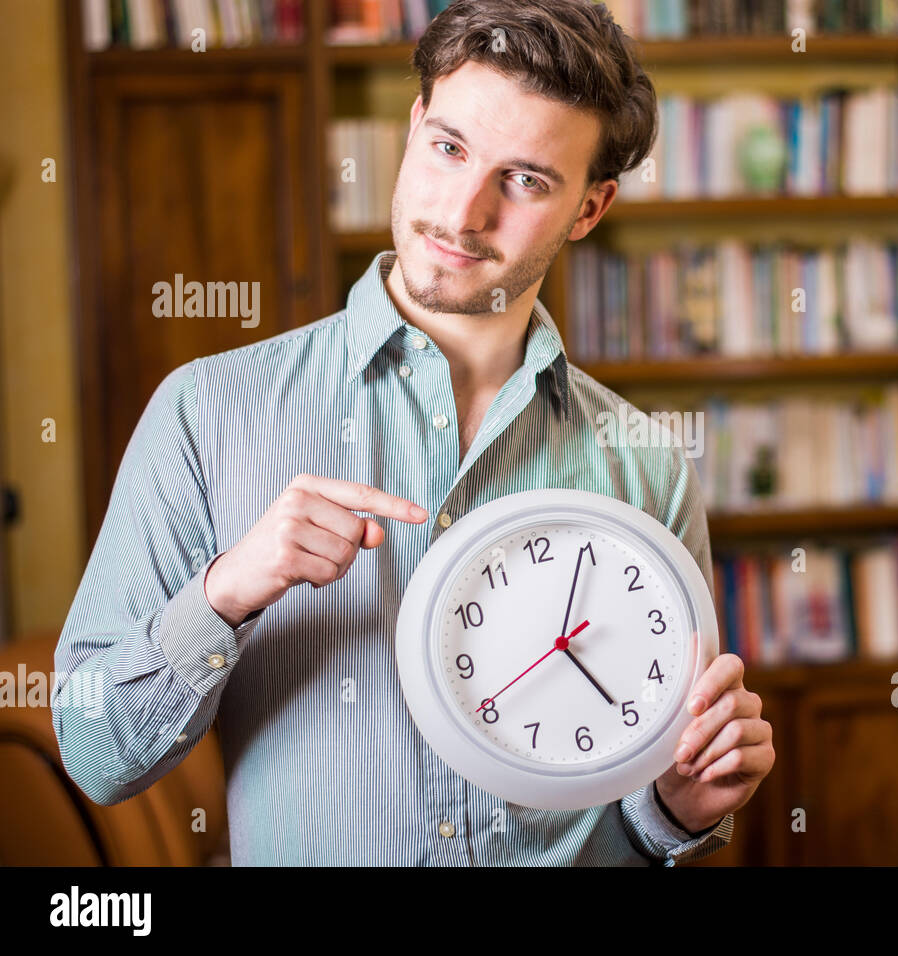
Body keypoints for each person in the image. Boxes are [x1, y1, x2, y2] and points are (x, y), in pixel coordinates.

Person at [52, 0, 774, 866]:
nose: (464, 213)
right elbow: (95, 756)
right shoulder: (207, 412)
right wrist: (226, 592)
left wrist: (676, 814)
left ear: (589, 208)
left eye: (527, 180)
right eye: (450, 149)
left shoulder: (646, 466)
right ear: (413, 126)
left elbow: (636, 811)